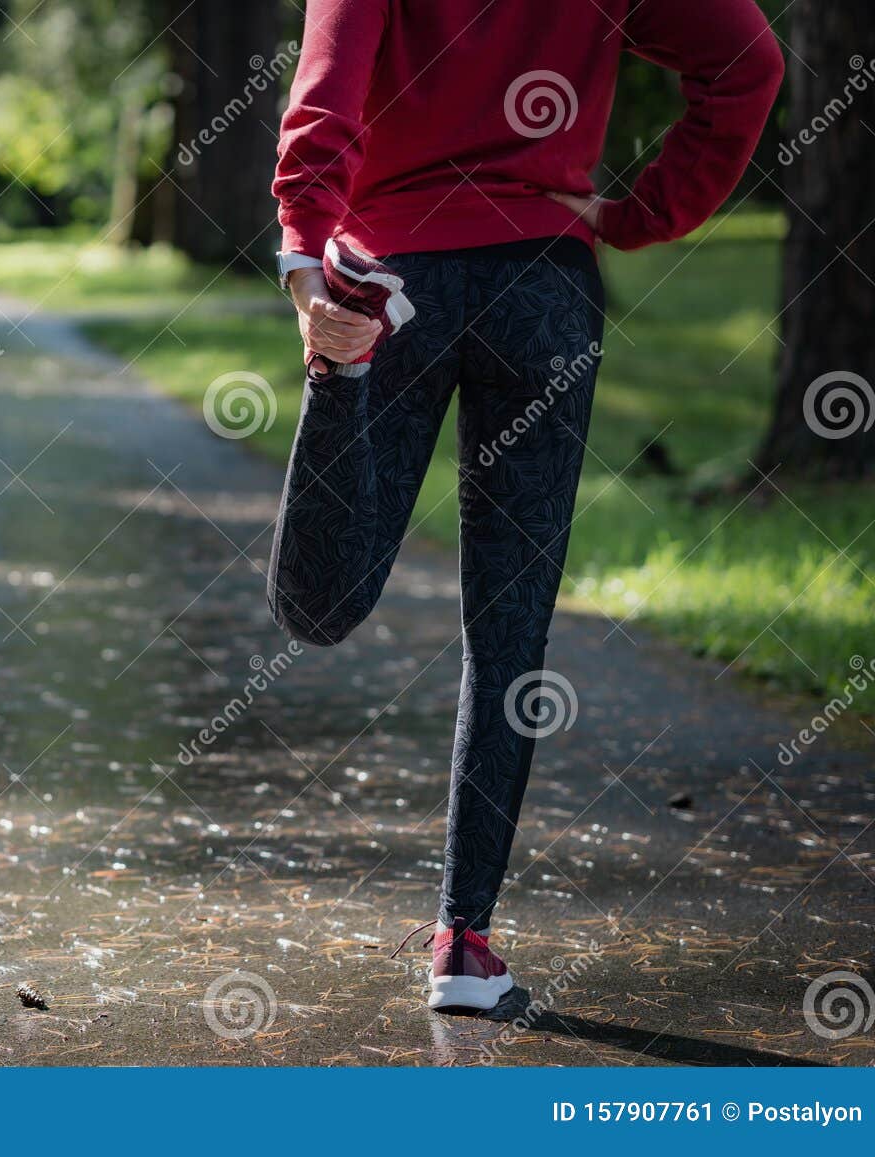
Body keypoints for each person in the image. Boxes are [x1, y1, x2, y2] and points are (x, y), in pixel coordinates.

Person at [268, 0, 783, 1011]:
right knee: (509, 630)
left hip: (395, 275)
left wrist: (303, 248)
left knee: (319, 607)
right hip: (544, 286)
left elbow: (326, 85)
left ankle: (344, 372)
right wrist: (643, 213)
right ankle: (463, 946)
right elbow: (749, 63)